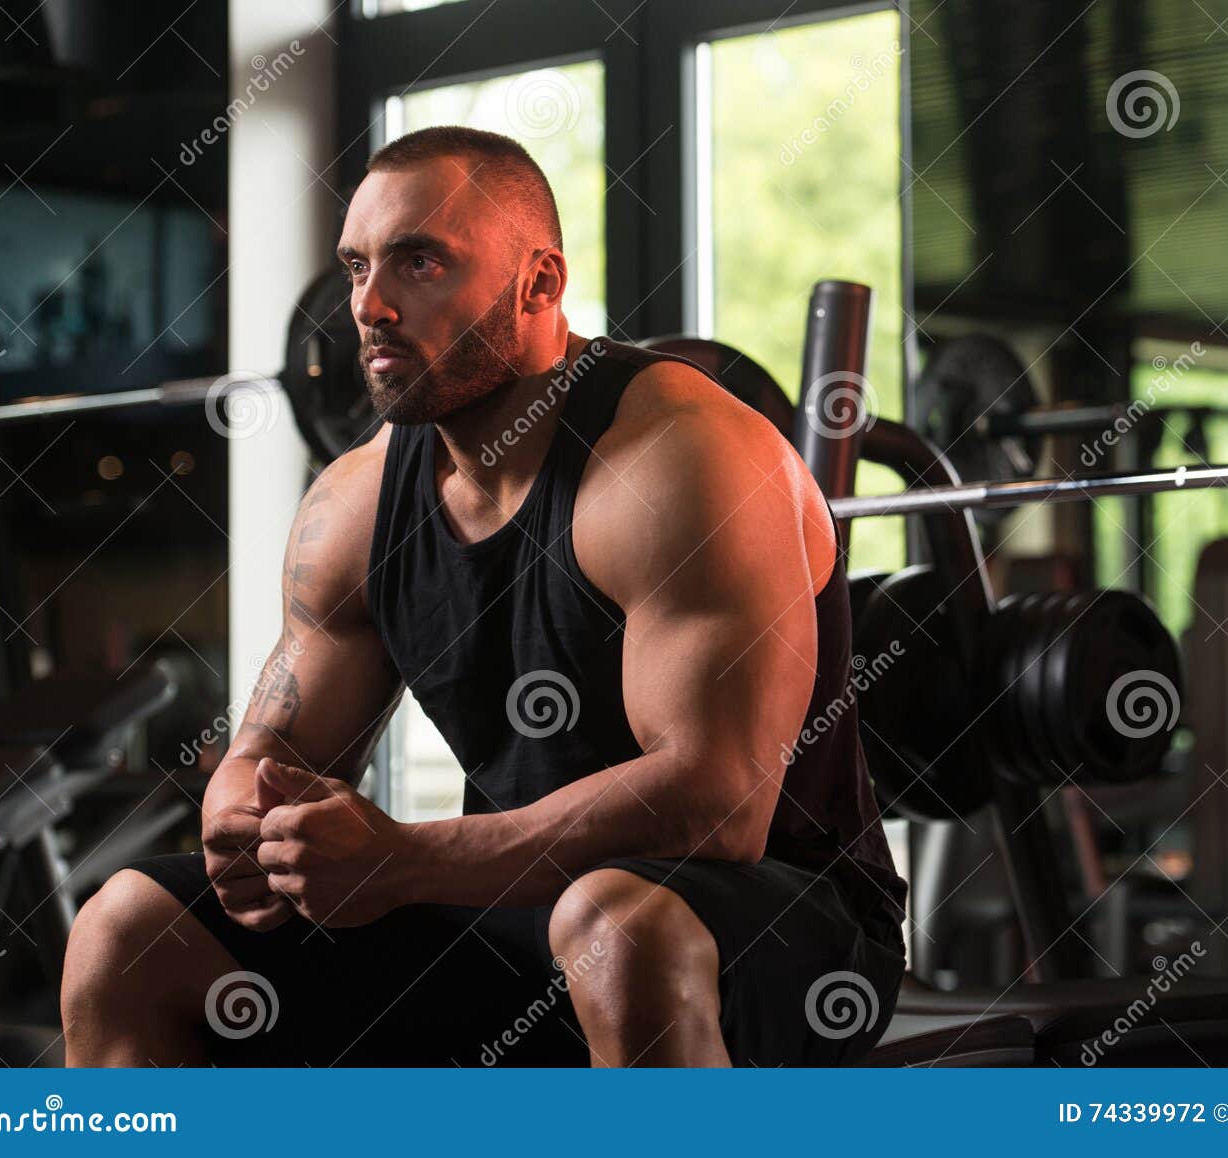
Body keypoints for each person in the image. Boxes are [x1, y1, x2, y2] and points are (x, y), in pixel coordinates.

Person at [60, 125, 906, 1067]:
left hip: (783, 922)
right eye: (356, 268)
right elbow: (279, 745)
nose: (371, 306)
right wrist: (241, 809)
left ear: (539, 284)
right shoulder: (356, 500)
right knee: (126, 927)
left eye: (419, 262)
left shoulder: (683, 458)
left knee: (615, 922)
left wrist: (405, 861)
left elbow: (716, 808)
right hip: (507, 916)